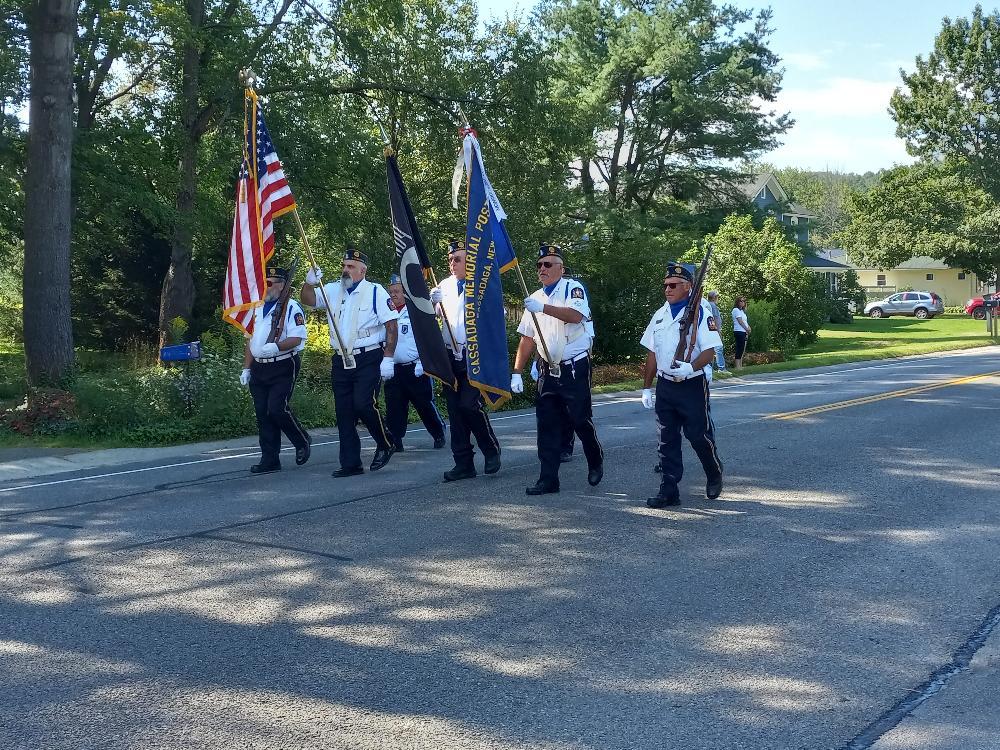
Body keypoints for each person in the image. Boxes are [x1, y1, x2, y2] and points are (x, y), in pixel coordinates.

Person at [510, 244, 603, 495]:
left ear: (561, 268)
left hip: (574, 368)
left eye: (548, 264)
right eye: (539, 265)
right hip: (547, 370)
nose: (542, 269)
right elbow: (527, 338)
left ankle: (595, 458)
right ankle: (548, 478)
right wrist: (517, 371)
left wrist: (544, 308)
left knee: (579, 419)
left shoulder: (572, 289)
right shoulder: (535, 298)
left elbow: (575, 316)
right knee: (547, 425)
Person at [301, 247, 397, 477]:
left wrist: (388, 358)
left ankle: (386, 442)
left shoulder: (375, 292)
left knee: (364, 403)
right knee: (344, 412)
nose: (345, 270)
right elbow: (307, 300)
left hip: (369, 355)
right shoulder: (333, 289)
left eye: (351, 267)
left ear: (362, 270)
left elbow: (391, 326)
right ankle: (351, 463)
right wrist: (309, 282)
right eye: (344, 266)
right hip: (341, 358)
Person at [640, 262, 724, 508]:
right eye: (665, 285)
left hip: (691, 385)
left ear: (688, 287)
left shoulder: (701, 313)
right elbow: (652, 353)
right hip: (665, 386)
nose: (667, 289)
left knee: (698, 435)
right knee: (666, 439)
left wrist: (692, 367)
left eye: (673, 285)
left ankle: (714, 471)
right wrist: (647, 386)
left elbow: (709, 351)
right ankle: (669, 489)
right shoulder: (660, 315)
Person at [429, 239, 501, 482]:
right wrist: (433, 303)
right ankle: (463, 462)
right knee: (454, 411)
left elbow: (495, 316)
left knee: (469, 405)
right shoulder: (445, 286)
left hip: (474, 354)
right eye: (450, 259)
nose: (452, 263)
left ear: (469, 260)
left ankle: (490, 449)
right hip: (451, 355)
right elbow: (437, 316)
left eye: (457, 258)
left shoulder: (481, 284)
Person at [241, 265, 311, 474]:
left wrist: (277, 346)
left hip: (282, 364)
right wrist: (246, 368)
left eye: (270, 283)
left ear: (282, 286)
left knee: (277, 408)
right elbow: (250, 341)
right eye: (264, 283)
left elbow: (297, 338)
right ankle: (270, 459)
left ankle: (301, 440)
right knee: (263, 413)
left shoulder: (291, 308)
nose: (266, 287)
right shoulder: (256, 307)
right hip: (259, 367)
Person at [384, 274, 447, 452]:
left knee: (424, 403)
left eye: (397, 291)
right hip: (394, 369)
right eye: (391, 292)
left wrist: (423, 360)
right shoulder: (386, 312)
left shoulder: (415, 311)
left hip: (416, 367)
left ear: (405, 293)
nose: (393, 295)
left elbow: (428, 337)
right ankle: (396, 439)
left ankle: (438, 432)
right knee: (394, 406)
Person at [706, 290, 726, 371]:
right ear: (714, 297)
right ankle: (721, 368)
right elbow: (715, 318)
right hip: (715, 330)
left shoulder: (708, 304)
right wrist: (718, 331)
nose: (718, 299)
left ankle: (711, 368)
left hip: (711, 330)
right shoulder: (713, 306)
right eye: (717, 297)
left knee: (711, 349)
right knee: (719, 348)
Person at [732, 296, 751, 369]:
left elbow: (745, 321)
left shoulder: (742, 311)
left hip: (744, 331)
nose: (743, 302)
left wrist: (748, 327)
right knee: (739, 348)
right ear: (737, 302)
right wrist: (746, 329)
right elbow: (740, 321)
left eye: (744, 301)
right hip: (739, 331)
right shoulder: (735, 310)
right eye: (741, 301)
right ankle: (737, 366)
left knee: (743, 348)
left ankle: (740, 365)